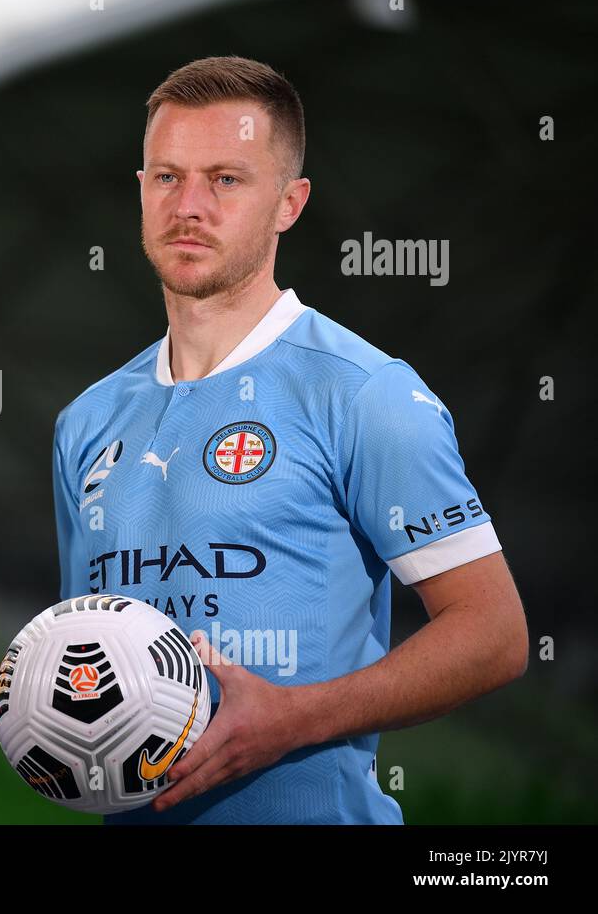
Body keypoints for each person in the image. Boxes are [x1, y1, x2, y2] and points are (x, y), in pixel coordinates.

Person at [51, 55, 528, 824]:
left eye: (227, 179)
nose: (190, 206)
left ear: (289, 202)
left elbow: (496, 635)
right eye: (167, 177)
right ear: (140, 190)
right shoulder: (86, 421)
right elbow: (88, 648)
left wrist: (291, 720)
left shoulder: (364, 392)